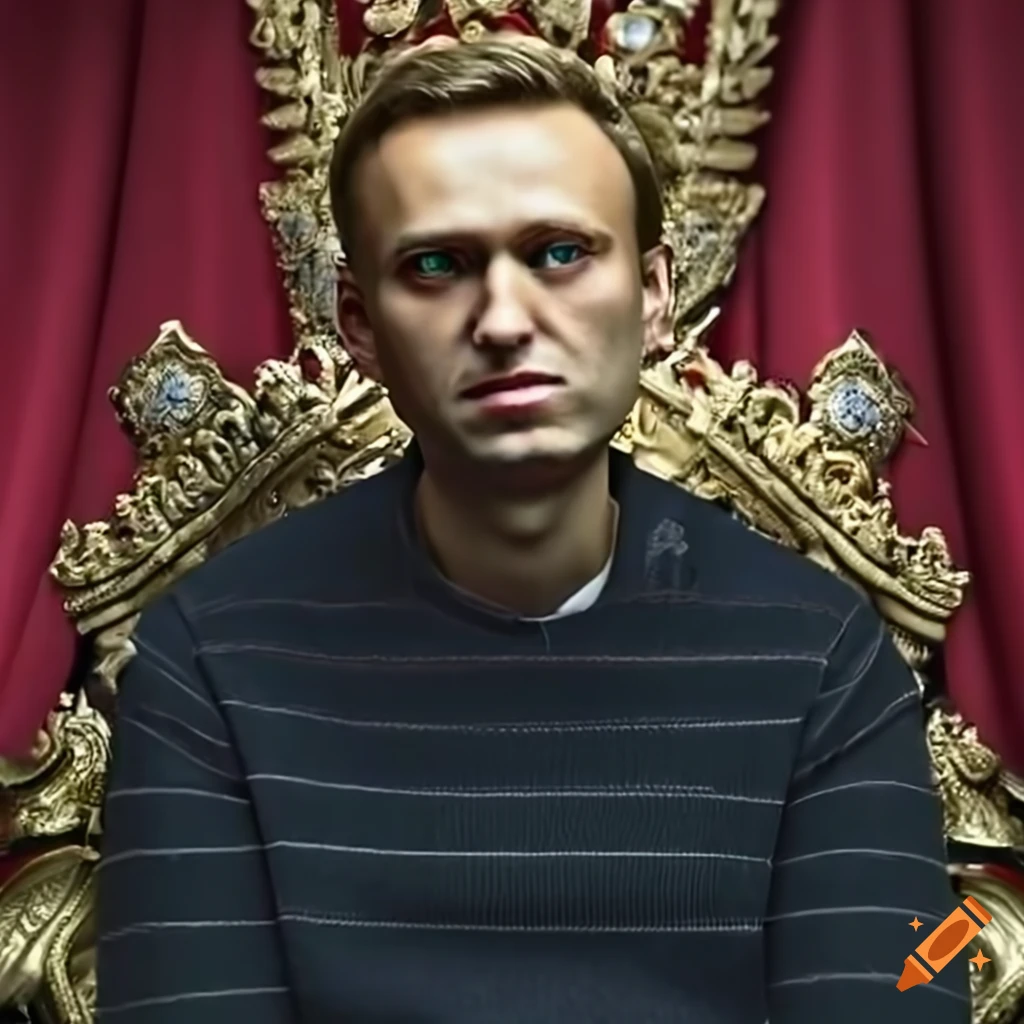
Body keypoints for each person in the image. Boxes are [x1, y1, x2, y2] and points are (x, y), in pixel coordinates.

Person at [95, 36, 970, 1024]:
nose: (504, 318)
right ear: (359, 322)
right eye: (437, 264)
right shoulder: (206, 658)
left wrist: (933, 959)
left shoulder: (823, 655)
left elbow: (911, 976)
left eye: (560, 252)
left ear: (652, 294)